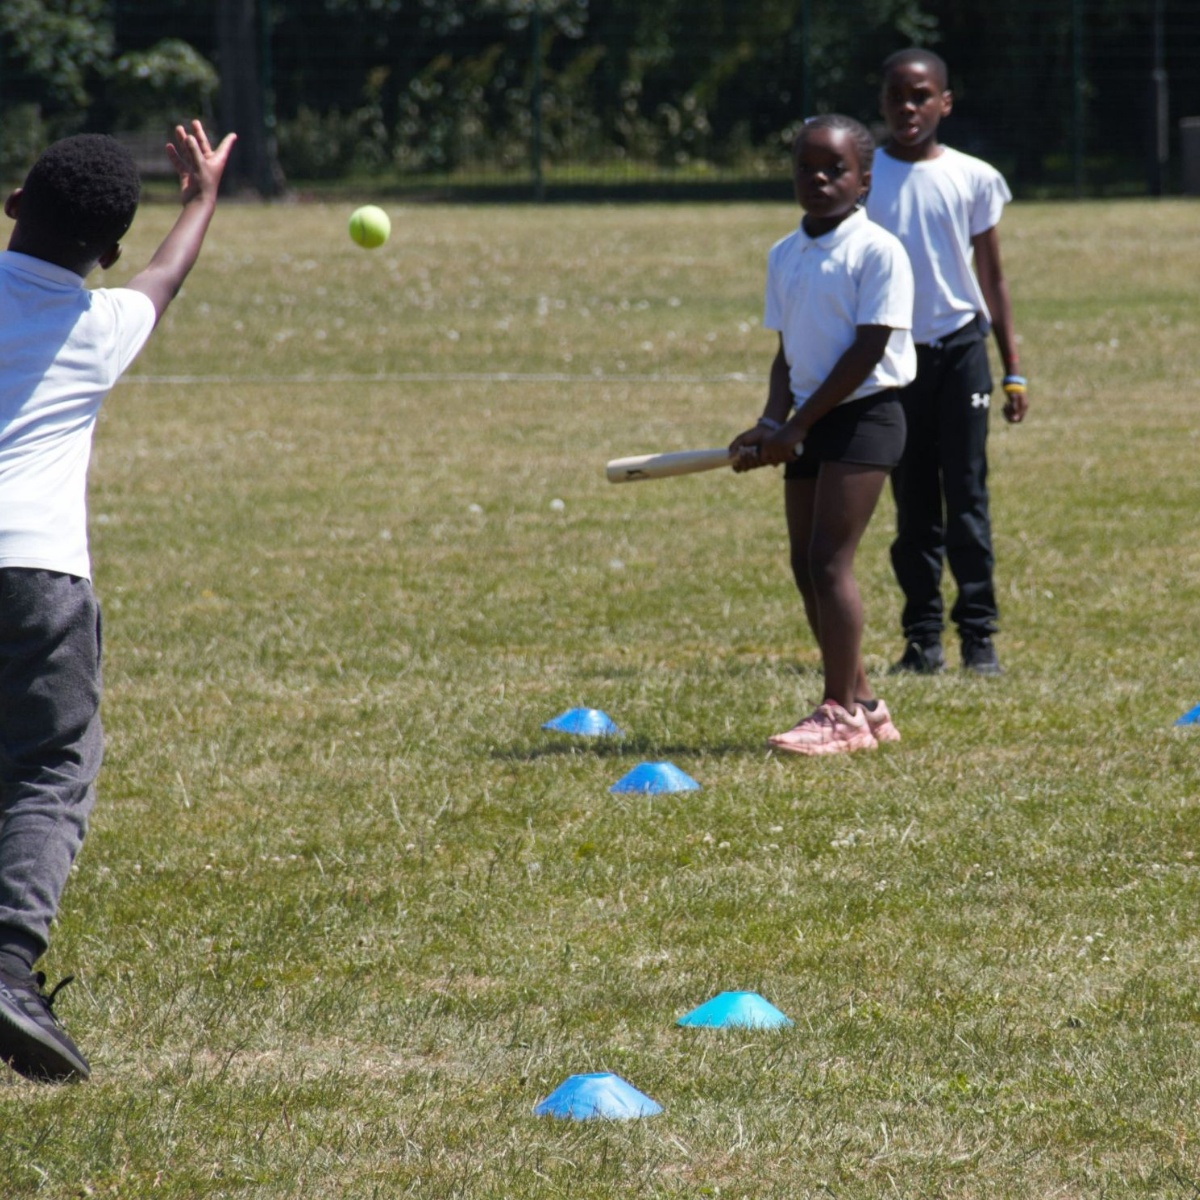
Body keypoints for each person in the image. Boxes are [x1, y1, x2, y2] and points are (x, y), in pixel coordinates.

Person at [0, 120, 236, 1083]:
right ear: (105, 253)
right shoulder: (98, 326)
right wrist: (203, 197)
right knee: (50, 770)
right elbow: (166, 279)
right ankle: (7, 966)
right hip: (42, 578)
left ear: (13, 204)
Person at [730, 114, 915, 756]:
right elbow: (788, 353)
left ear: (863, 181)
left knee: (831, 561)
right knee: (805, 564)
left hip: (866, 414)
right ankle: (865, 704)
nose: (818, 178)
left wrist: (800, 424)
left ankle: (837, 714)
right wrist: (771, 421)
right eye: (806, 167)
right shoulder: (785, 254)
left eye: (834, 169)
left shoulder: (878, 250)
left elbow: (868, 349)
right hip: (808, 417)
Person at [865, 48, 1028, 677]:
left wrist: (1011, 365)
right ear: (882, 102)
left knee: (966, 494)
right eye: (898, 96)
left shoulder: (974, 177)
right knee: (911, 502)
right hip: (896, 358)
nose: (909, 108)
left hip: (962, 350)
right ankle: (922, 639)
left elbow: (992, 274)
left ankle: (979, 637)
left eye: (922, 96)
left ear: (945, 103)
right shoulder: (865, 176)